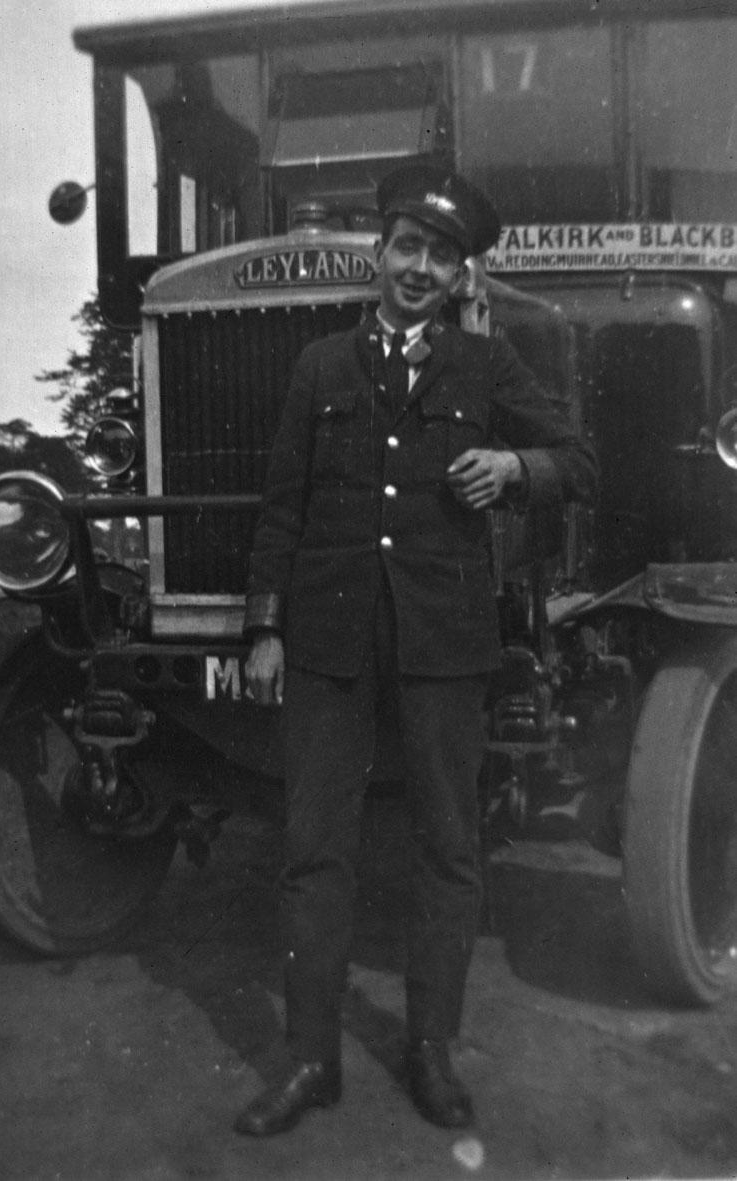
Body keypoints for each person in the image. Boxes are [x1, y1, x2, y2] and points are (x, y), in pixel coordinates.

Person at [235, 163, 597, 1136]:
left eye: (440, 257)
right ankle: (310, 1060)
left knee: (447, 847)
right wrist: (264, 626)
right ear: (377, 252)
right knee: (314, 850)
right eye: (405, 247)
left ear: (456, 274)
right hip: (325, 639)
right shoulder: (318, 365)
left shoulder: (485, 370)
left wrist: (515, 465)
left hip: (443, 642)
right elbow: (281, 509)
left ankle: (429, 1051)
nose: (416, 268)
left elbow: (580, 462)